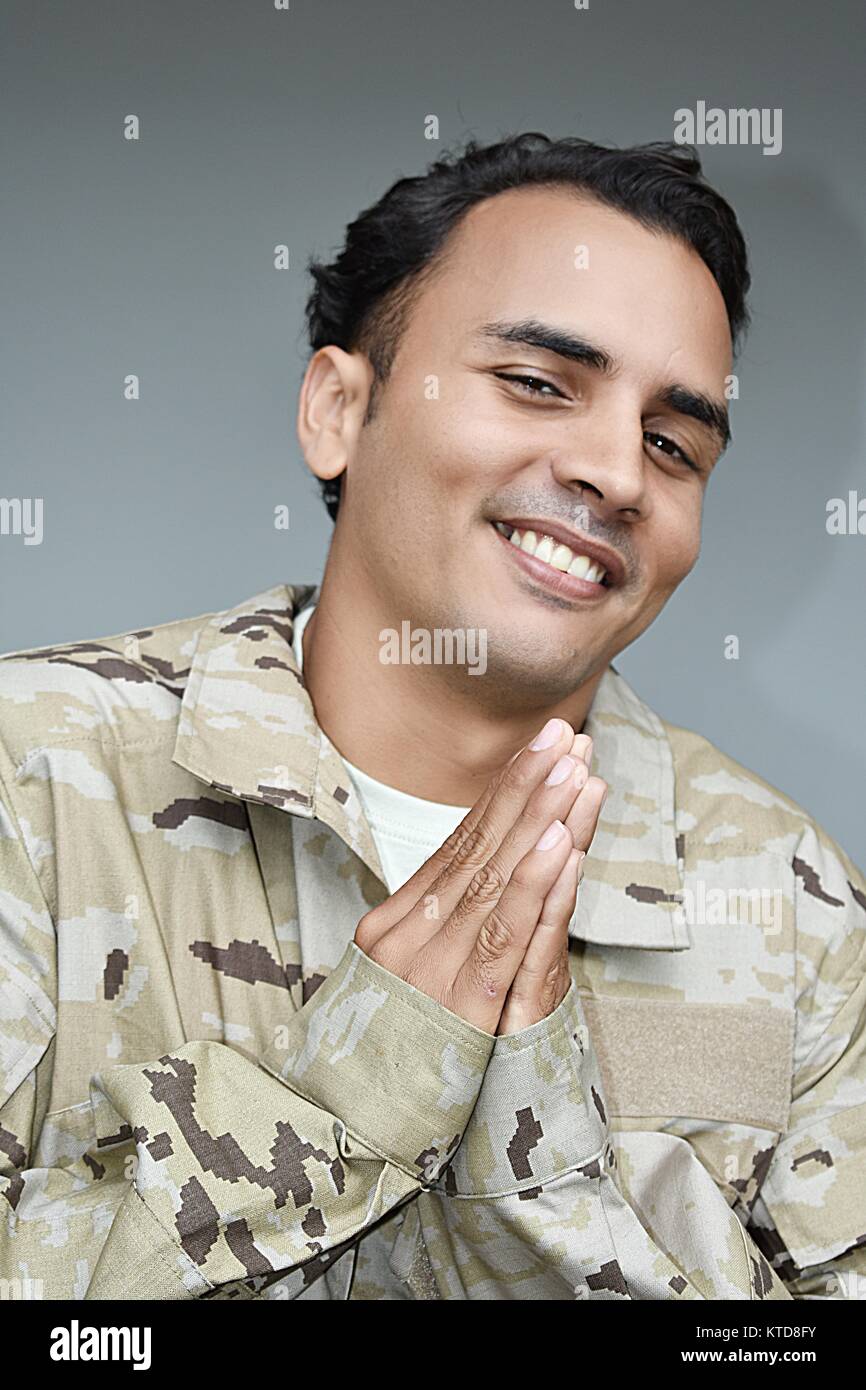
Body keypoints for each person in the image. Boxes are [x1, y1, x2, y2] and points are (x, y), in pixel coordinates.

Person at [1, 134, 863, 1301]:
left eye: (673, 443)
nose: (616, 473)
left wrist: (541, 1163)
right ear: (336, 410)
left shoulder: (798, 913)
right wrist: (349, 1103)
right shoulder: (29, 775)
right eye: (537, 383)